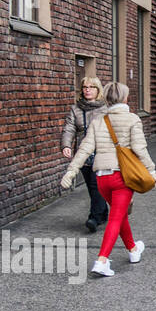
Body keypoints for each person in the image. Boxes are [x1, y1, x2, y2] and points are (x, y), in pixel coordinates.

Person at [60, 81, 156, 278]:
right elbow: (140, 149)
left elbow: (85, 149)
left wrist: (70, 172)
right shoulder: (132, 119)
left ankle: (133, 250)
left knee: (119, 215)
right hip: (122, 177)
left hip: (102, 178)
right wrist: (152, 172)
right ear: (125, 98)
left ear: (106, 98)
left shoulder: (99, 121)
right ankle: (102, 260)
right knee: (116, 218)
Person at [61, 77, 109, 233]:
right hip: (83, 152)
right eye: (85, 87)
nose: (87, 90)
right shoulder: (76, 109)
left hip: (102, 151)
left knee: (96, 184)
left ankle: (94, 217)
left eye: (91, 87)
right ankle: (103, 213)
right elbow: (69, 128)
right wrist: (66, 145)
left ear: (98, 90)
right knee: (91, 185)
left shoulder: (106, 108)